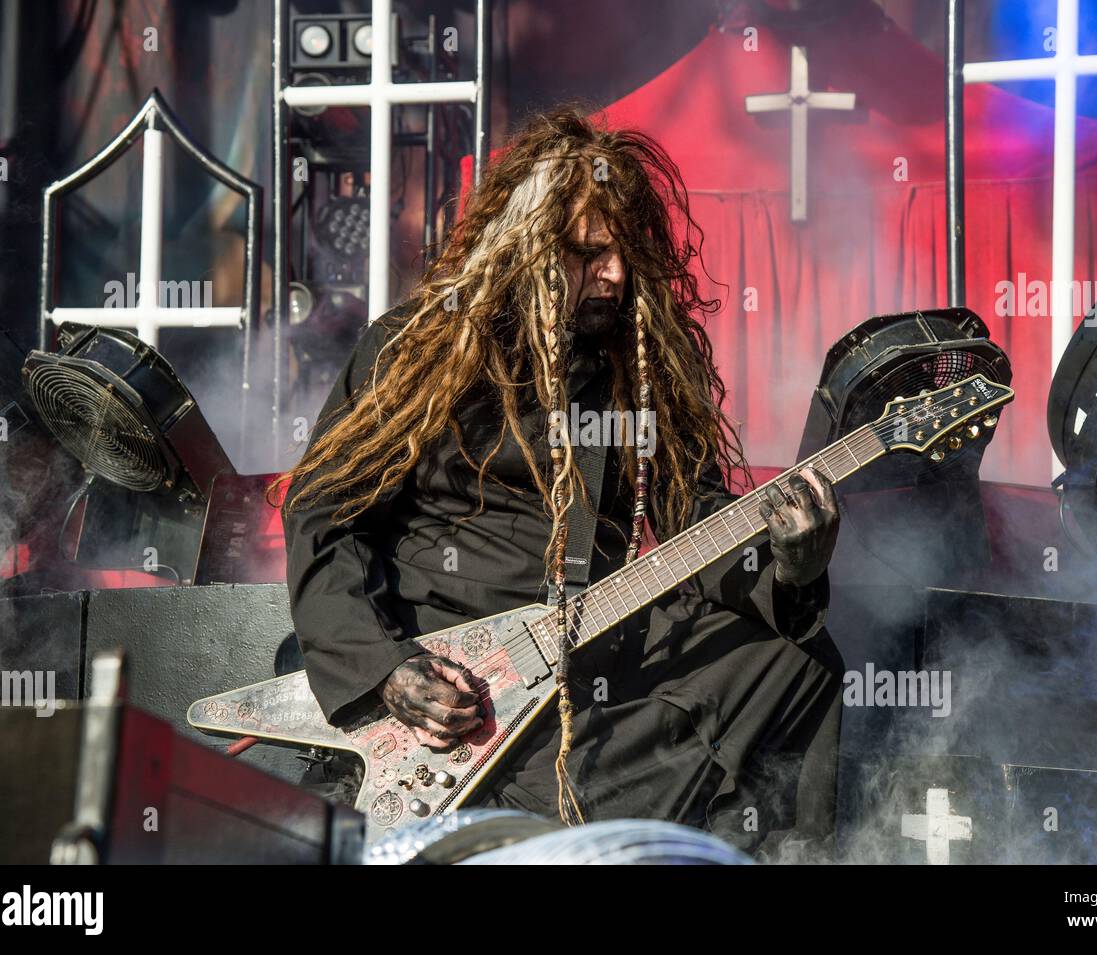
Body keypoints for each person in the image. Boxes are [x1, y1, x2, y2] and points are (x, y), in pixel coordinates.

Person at [280, 106, 843, 857]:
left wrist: (789, 568)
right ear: (525, 247)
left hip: (593, 687)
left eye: (624, 253)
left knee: (801, 655)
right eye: (586, 253)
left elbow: (698, 522)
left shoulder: (640, 369)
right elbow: (325, 515)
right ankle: (566, 824)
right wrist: (387, 671)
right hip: (450, 681)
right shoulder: (420, 349)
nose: (612, 273)